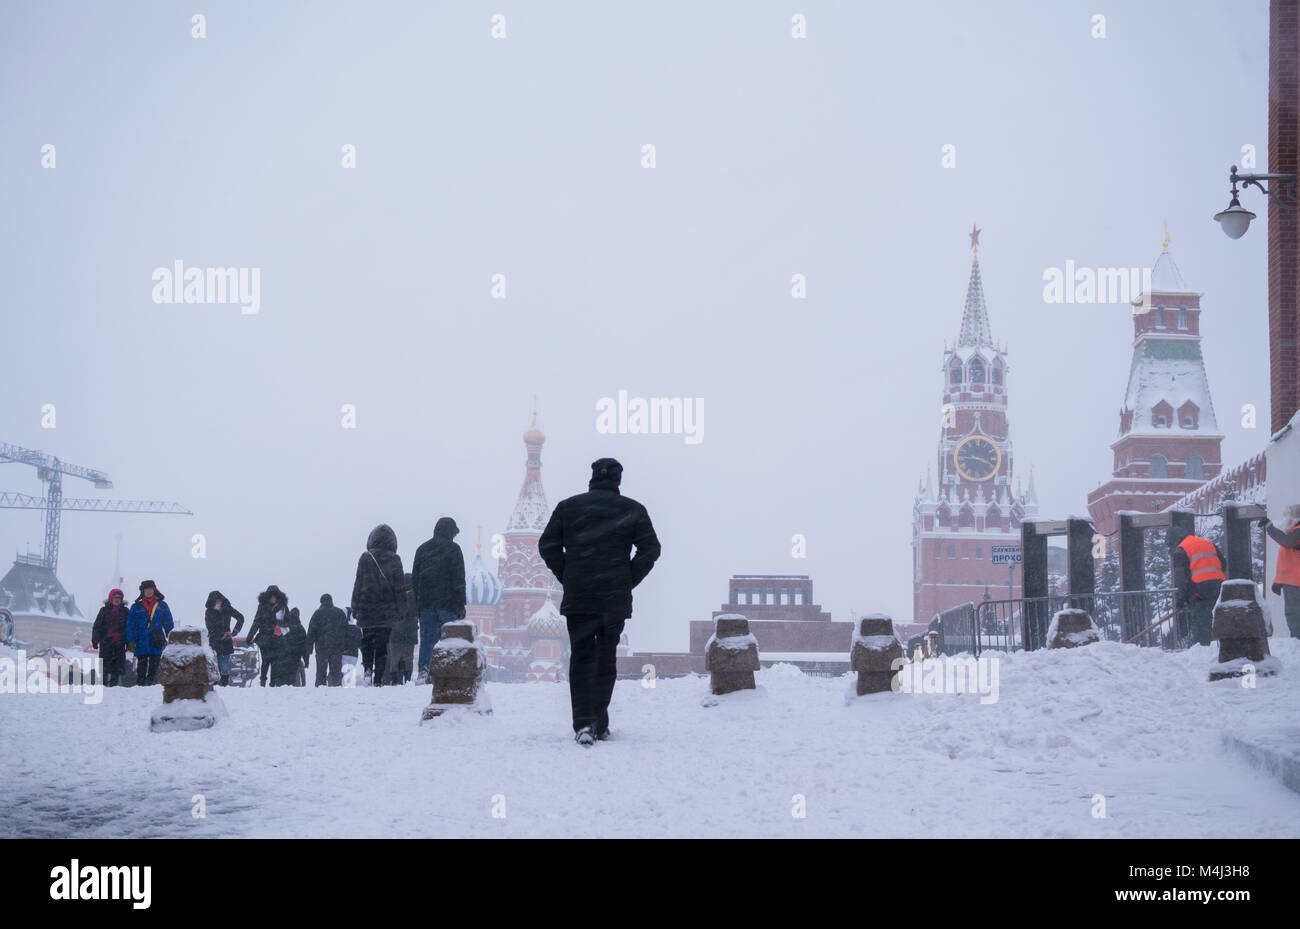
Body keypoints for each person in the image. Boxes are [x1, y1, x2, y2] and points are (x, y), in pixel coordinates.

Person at [539, 458, 660, 746]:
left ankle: (584, 723)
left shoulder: (569, 507)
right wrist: (627, 578)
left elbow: (547, 544)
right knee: (605, 658)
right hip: (612, 597)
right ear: (618, 480)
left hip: (580, 596)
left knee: (581, 658)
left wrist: (568, 574)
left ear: (592, 478)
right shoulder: (632, 510)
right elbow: (651, 549)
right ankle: (598, 721)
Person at [350, 524, 407, 687]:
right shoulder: (395, 559)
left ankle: (367, 669)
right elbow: (399, 587)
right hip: (386, 609)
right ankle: (378, 678)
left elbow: (358, 584)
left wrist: (354, 606)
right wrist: (401, 609)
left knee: (367, 639)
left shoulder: (365, 557)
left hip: (366, 606)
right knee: (382, 644)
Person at [411, 517, 467, 683]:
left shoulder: (422, 549)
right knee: (448, 639)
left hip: (426, 604)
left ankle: (424, 670)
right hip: (447, 604)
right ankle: (445, 671)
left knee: (427, 638)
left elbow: (415, 579)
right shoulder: (454, 549)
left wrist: (418, 603)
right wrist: (460, 604)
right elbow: (458, 579)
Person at [1167, 525, 1226, 647]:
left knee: (1200, 619)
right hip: (1219, 585)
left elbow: (1180, 579)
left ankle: (1203, 648)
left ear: (1173, 540)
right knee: (1215, 616)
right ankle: (1218, 647)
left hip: (1200, 589)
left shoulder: (1180, 550)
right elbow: (1223, 563)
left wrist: (1181, 599)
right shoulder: (1206, 543)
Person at [125, 580, 174, 686]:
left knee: (154, 668)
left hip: (155, 641)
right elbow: (130, 625)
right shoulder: (136, 607)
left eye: (151, 589)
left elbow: (168, 622)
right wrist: (130, 641)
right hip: (141, 641)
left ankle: (151, 687)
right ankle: (141, 687)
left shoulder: (162, 605)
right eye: (146, 589)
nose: (149, 591)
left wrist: (172, 638)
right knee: (141, 669)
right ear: (142, 591)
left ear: (154, 590)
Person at [1264, 503, 1300, 638]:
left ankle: (1297, 643)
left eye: (1287, 516)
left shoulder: (1297, 531)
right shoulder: (1294, 532)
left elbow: (1286, 541)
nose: (1285, 519)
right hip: (1292, 581)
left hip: (1296, 582)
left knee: (1294, 614)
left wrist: (1269, 527)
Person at [247, 585, 292, 687]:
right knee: (266, 661)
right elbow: (256, 622)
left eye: (274, 596)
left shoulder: (283, 607)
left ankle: (273, 683)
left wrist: (280, 625)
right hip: (264, 638)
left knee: (275, 662)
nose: (273, 598)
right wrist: (250, 636)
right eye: (271, 596)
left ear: (278, 597)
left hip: (277, 639)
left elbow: (289, 622)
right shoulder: (262, 607)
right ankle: (263, 682)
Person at [204, 590, 245, 686]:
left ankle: (225, 686)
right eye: (216, 601)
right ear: (212, 602)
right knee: (216, 666)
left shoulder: (228, 609)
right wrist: (219, 635)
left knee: (225, 666)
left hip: (226, 641)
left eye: (219, 601)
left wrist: (235, 631)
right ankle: (216, 686)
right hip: (214, 641)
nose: (218, 603)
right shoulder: (209, 612)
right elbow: (209, 627)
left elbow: (241, 618)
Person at [307, 593, 349, 686]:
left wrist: (309, 648)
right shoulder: (339, 613)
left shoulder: (317, 613)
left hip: (322, 648)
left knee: (321, 673)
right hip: (337, 648)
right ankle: (336, 690)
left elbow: (311, 632)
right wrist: (345, 646)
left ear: (321, 602)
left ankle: (319, 692)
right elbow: (346, 631)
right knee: (336, 673)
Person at [90, 588, 129, 687]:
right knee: (104, 666)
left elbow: (129, 627)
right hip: (106, 642)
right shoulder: (104, 610)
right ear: (111, 598)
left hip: (119, 643)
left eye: (119, 598)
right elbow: (97, 626)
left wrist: (128, 642)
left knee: (117, 667)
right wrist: (95, 640)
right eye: (115, 597)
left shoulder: (125, 611)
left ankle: (113, 686)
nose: (117, 600)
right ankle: (102, 684)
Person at [385, 573, 418, 685]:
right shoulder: (415, 597)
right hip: (410, 633)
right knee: (408, 658)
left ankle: (394, 680)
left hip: (395, 633)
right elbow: (416, 613)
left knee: (395, 658)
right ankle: (407, 680)